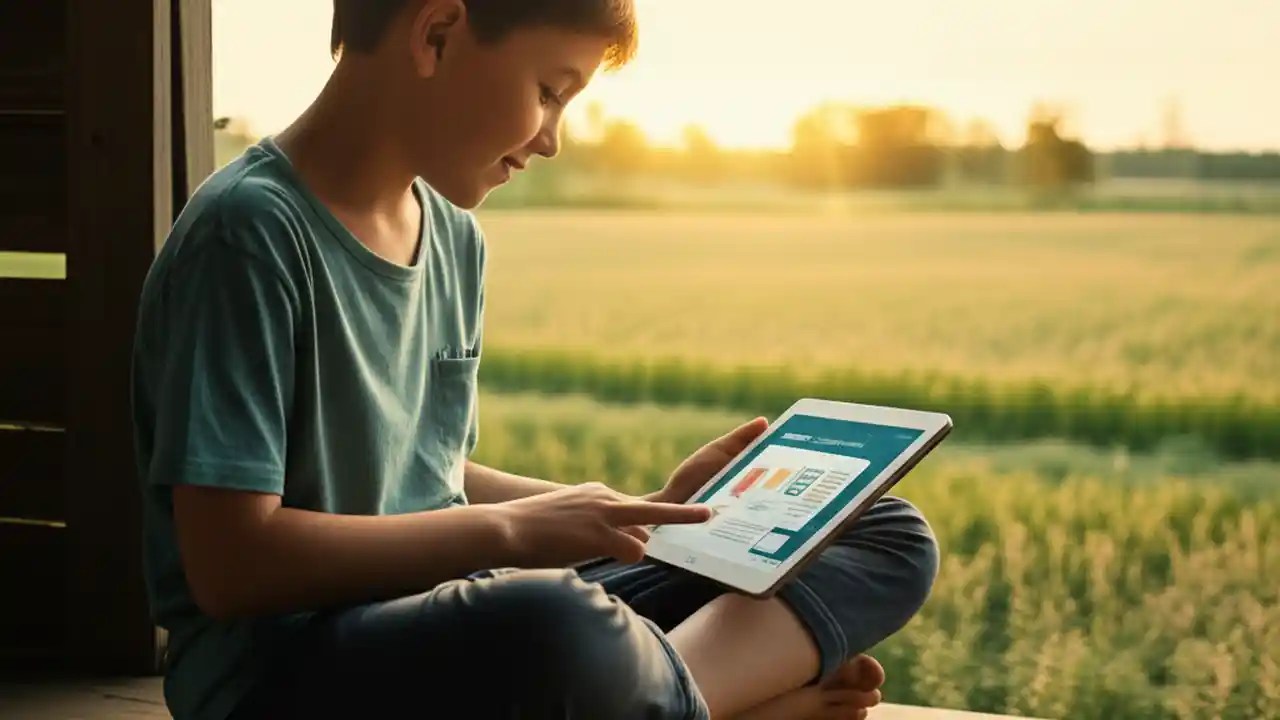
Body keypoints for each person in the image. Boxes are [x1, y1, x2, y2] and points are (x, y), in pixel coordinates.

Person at [131, 1, 939, 718]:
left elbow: (431, 471)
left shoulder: (452, 239)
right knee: (553, 626)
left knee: (878, 531)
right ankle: (719, 700)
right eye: (550, 92)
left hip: (449, 623)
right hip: (288, 674)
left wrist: (639, 515)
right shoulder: (250, 235)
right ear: (438, 33)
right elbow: (231, 565)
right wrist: (515, 532)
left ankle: (670, 693)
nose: (552, 138)